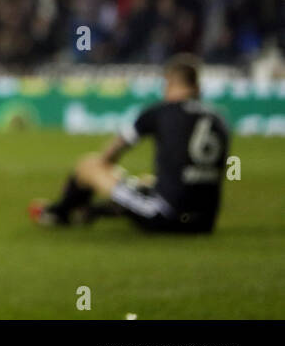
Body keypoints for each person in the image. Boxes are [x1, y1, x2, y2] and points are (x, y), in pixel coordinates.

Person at [30, 54, 230, 233]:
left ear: (168, 82)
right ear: (197, 86)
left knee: (89, 165)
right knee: (146, 183)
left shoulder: (160, 112)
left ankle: (60, 213)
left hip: (168, 216)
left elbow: (112, 152)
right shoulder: (218, 118)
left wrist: (105, 172)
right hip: (204, 221)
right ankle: (94, 211)